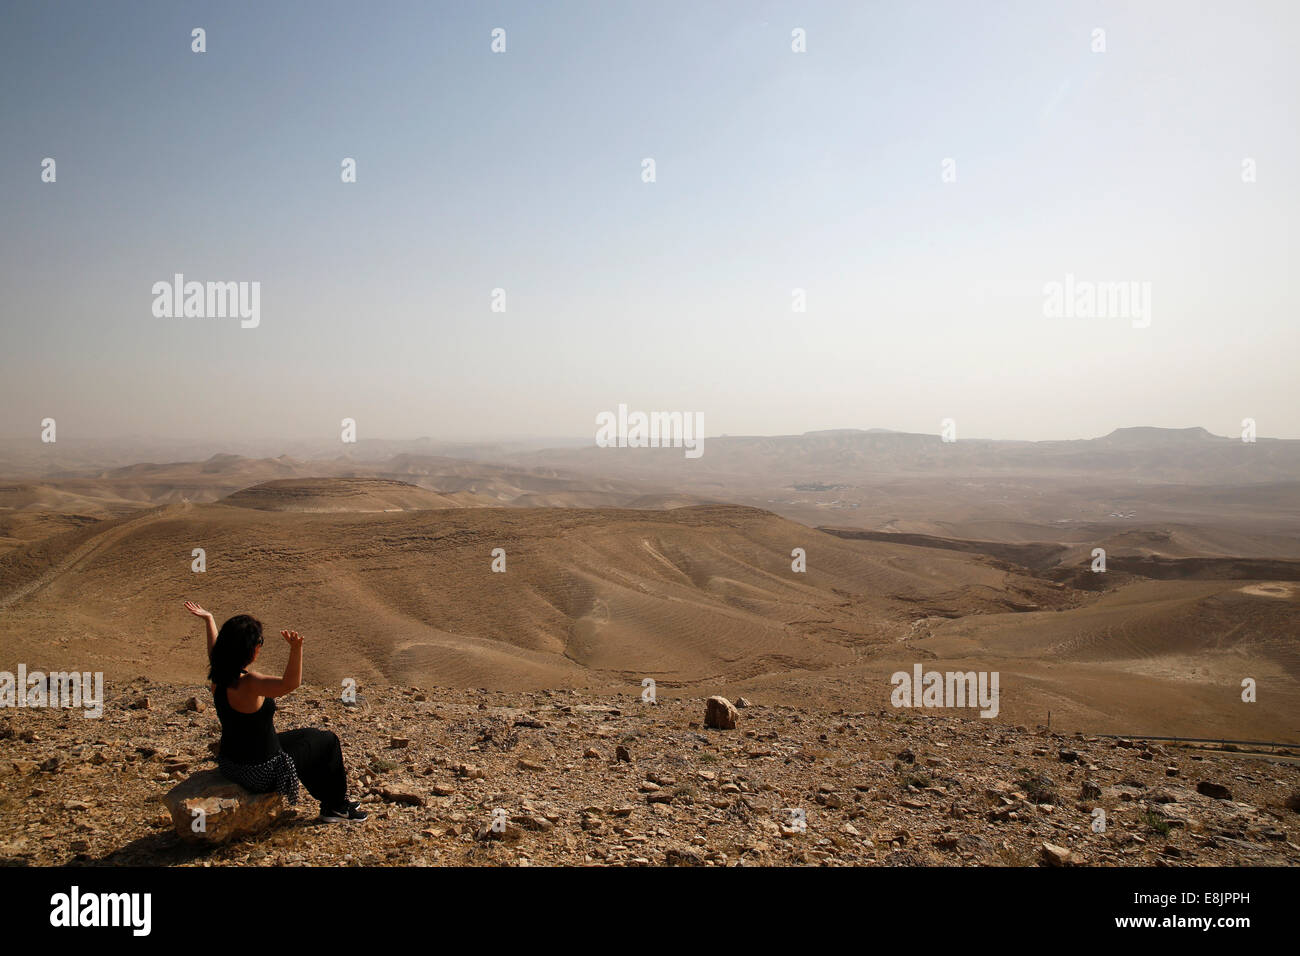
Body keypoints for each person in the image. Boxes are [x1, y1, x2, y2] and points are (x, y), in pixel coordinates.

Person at [184, 601, 367, 823]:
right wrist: (296, 649)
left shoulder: (219, 678)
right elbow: (290, 684)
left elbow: (215, 653)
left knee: (308, 740)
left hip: (231, 764)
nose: (260, 647)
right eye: (259, 642)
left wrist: (209, 619)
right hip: (261, 772)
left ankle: (332, 802)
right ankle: (336, 807)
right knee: (327, 741)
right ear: (250, 649)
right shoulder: (250, 683)